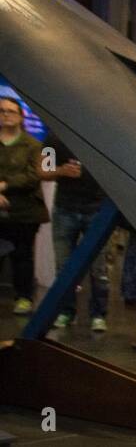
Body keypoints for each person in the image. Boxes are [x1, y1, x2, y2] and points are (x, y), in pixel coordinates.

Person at [38, 133, 110, 331]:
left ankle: (99, 314)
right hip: (65, 208)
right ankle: (66, 311)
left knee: (99, 269)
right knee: (64, 266)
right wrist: (61, 170)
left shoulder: (105, 137)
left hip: (97, 208)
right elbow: (43, 170)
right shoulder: (55, 138)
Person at [0, 96, 49, 318]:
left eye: (10, 111)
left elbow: (33, 175)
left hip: (25, 210)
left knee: (22, 256)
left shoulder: (33, 145)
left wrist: (5, 185)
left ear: (21, 116)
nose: (6, 115)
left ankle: (24, 297)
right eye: (2, 111)